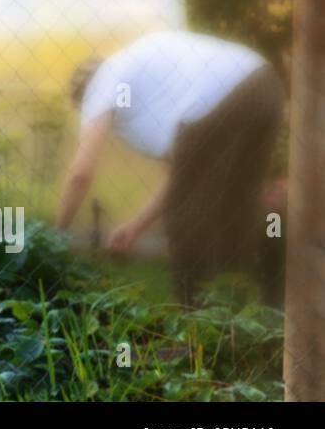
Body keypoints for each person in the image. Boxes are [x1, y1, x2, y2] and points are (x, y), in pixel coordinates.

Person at [56, 29, 286, 307]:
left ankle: (196, 331)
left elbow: (80, 174)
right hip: (263, 86)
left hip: (221, 98)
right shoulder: (146, 79)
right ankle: (276, 308)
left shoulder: (102, 83)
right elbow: (179, 177)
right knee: (239, 211)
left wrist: (55, 236)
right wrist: (136, 227)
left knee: (186, 221)